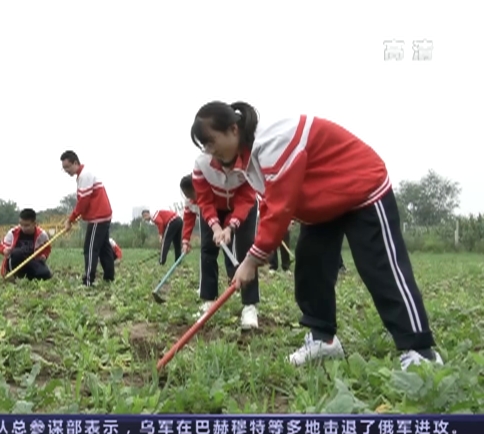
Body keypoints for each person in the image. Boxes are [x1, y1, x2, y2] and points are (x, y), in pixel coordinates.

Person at [189, 100, 441, 370]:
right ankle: (323, 340)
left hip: (361, 188)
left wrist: (250, 261)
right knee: (310, 268)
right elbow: (274, 201)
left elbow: (280, 206)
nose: (210, 152)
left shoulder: (272, 141)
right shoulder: (246, 157)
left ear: (233, 129)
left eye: (211, 142)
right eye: (205, 147)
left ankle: (420, 351)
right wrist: (258, 252)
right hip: (324, 204)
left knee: (381, 268)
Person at [181, 173, 260, 329]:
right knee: (207, 250)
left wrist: (229, 227)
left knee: (245, 251)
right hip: (211, 207)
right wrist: (215, 227)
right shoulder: (202, 176)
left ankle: (250, 306)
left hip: (242, 205)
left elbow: (244, 201)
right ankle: (209, 300)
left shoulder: (240, 174)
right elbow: (193, 214)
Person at [61, 150, 115, 286]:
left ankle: (89, 281)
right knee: (104, 248)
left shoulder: (84, 175)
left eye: (67, 167)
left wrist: (70, 219)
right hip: (103, 214)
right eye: (64, 168)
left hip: (99, 216)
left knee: (90, 249)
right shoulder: (82, 176)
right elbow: (86, 201)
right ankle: (109, 278)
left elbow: (83, 202)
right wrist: (80, 215)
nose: (66, 170)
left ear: (75, 163)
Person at [0, 208, 53, 280]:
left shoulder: (41, 235)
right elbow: (1, 246)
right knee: (17, 252)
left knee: (45, 274)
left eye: (27, 225)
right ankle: (14, 276)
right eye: (21, 224)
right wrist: (4, 250)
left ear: (34, 223)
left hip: (31, 261)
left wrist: (44, 256)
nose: (23, 228)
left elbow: (47, 248)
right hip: (15, 262)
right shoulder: (13, 232)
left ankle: (28, 277)